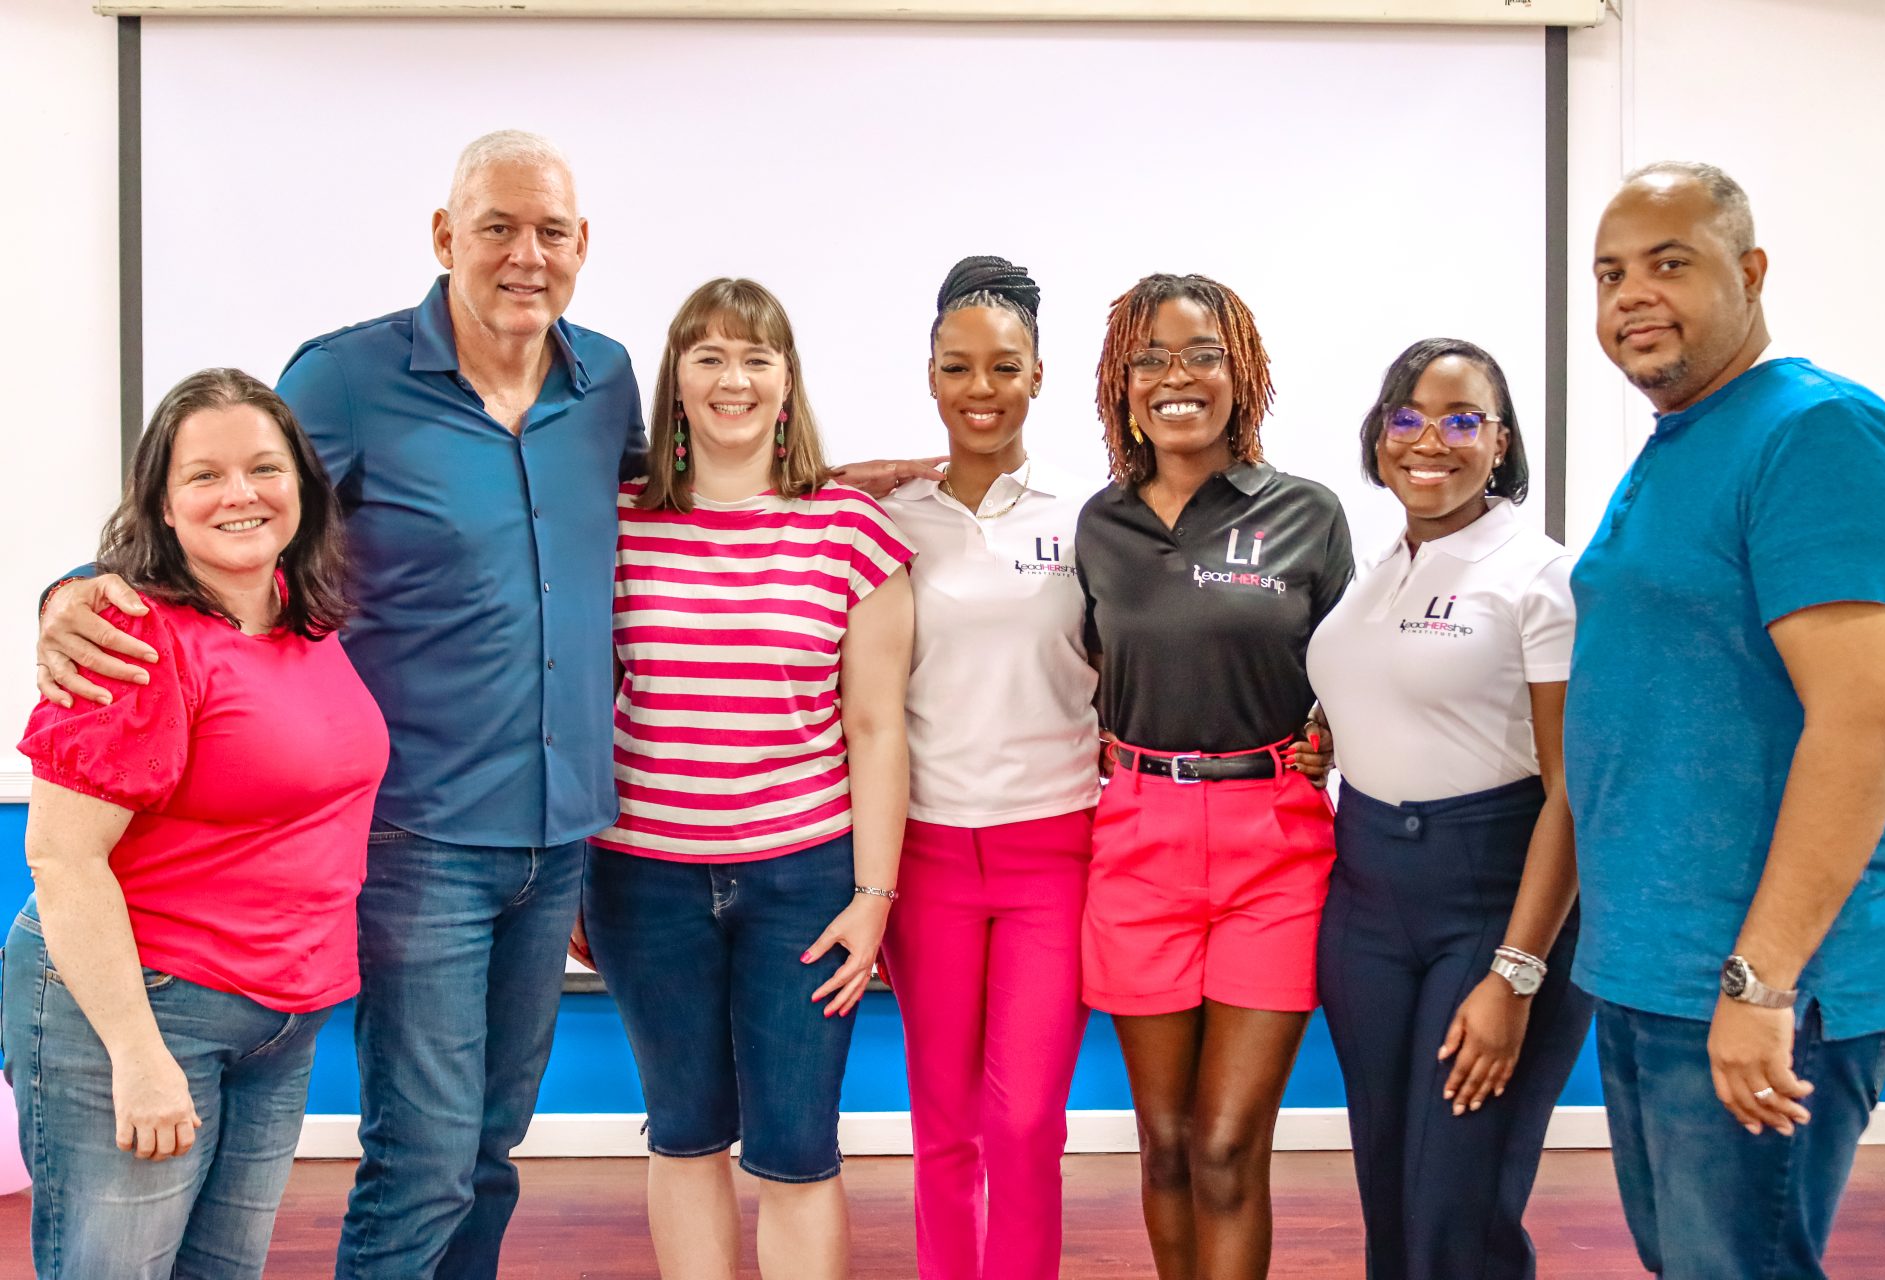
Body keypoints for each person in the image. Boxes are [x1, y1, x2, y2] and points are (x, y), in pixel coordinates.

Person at [32, 132, 936, 1278]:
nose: (525, 255)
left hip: (562, 838)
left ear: (581, 247)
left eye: (550, 232)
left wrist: (844, 483)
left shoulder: (601, 378)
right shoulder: (347, 377)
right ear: (444, 235)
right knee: (424, 1153)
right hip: (420, 835)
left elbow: (711, 474)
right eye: (498, 227)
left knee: (492, 1149)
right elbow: (228, 488)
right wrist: (77, 583)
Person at [1566, 161, 1885, 1278]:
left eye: (1670, 263)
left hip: (1757, 981)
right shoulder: (1688, 439)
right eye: (1612, 272)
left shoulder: (1818, 431)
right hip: (1652, 968)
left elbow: (1873, 717)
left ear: (1751, 271)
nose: (1633, 294)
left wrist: (1762, 980)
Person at [5, 369, 388, 1279]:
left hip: (280, 1018)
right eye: (204, 475)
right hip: (144, 1008)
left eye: (264, 467)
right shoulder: (131, 640)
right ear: (164, 506)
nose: (241, 494)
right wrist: (137, 1056)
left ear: (302, 481)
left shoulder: (304, 620)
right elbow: (61, 858)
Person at [575, 277, 915, 1280]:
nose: (734, 378)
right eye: (709, 355)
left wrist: (874, 896)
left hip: (804, 883)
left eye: (756, 357)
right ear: (675, 381)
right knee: (683, 1130)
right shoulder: (620, 521)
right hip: (642, 878)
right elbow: (581, 697)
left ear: (786, 380)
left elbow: (878, 726)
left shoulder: (851, 530)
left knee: (798, 1146)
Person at [1072, 273, 1351, 1280]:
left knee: (1230, 1146)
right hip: (1136, 836)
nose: (1176, 377)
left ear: (1244, 374)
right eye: (1150, 358)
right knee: (1167, 1144)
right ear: (1121, 384)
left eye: (1201, 354)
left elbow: (1356, 668)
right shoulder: (1097, 527)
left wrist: (1324, 735)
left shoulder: (1307, 515)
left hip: (1271, 843)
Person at [1306, 338, 1593, 1279]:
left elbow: (1570, 789)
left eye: (1463, 419)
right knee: (1390, 1193)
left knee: (1455, 1206)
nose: (1432, 439)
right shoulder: (1384, 563)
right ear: (1380, 435)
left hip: (1492, 894)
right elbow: (1408, 693)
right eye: (1408, 416)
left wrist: (1516, 974)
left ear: (1501, 443)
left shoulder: (1537, 573)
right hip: (1367, 898)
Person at [876, 255, 1102, 1280]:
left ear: (1038, 374)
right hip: (924, 858)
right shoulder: (888, 519)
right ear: (930, 376)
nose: (981, 387)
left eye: (1004, 366)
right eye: (958, 366)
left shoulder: (1086, 518)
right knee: (945, 1126)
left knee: (1025, 1124)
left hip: (1053, 853)